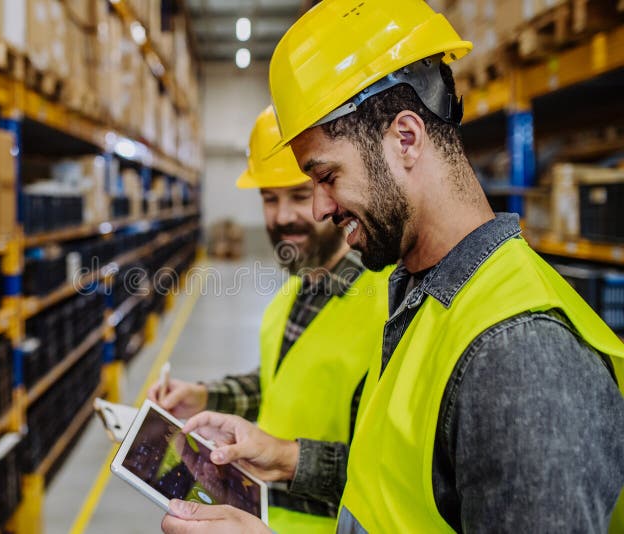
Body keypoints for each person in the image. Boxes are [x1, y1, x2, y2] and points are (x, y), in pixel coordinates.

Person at [161, 1, 624, 533]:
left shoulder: (520, 355)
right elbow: (394, 491)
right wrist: (289, 458)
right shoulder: (420, 296)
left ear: (405, 138)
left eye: (327, 176)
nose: (318, 210)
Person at [148, 107, 391, 534]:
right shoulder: (293, 291)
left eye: (298, 195)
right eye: (268, 199)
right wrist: (204, 397)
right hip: (264, 516)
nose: (281, 218)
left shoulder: (386, 305)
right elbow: (279, 385)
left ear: (329, 192)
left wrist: (284, 456)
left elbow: (389, 475)